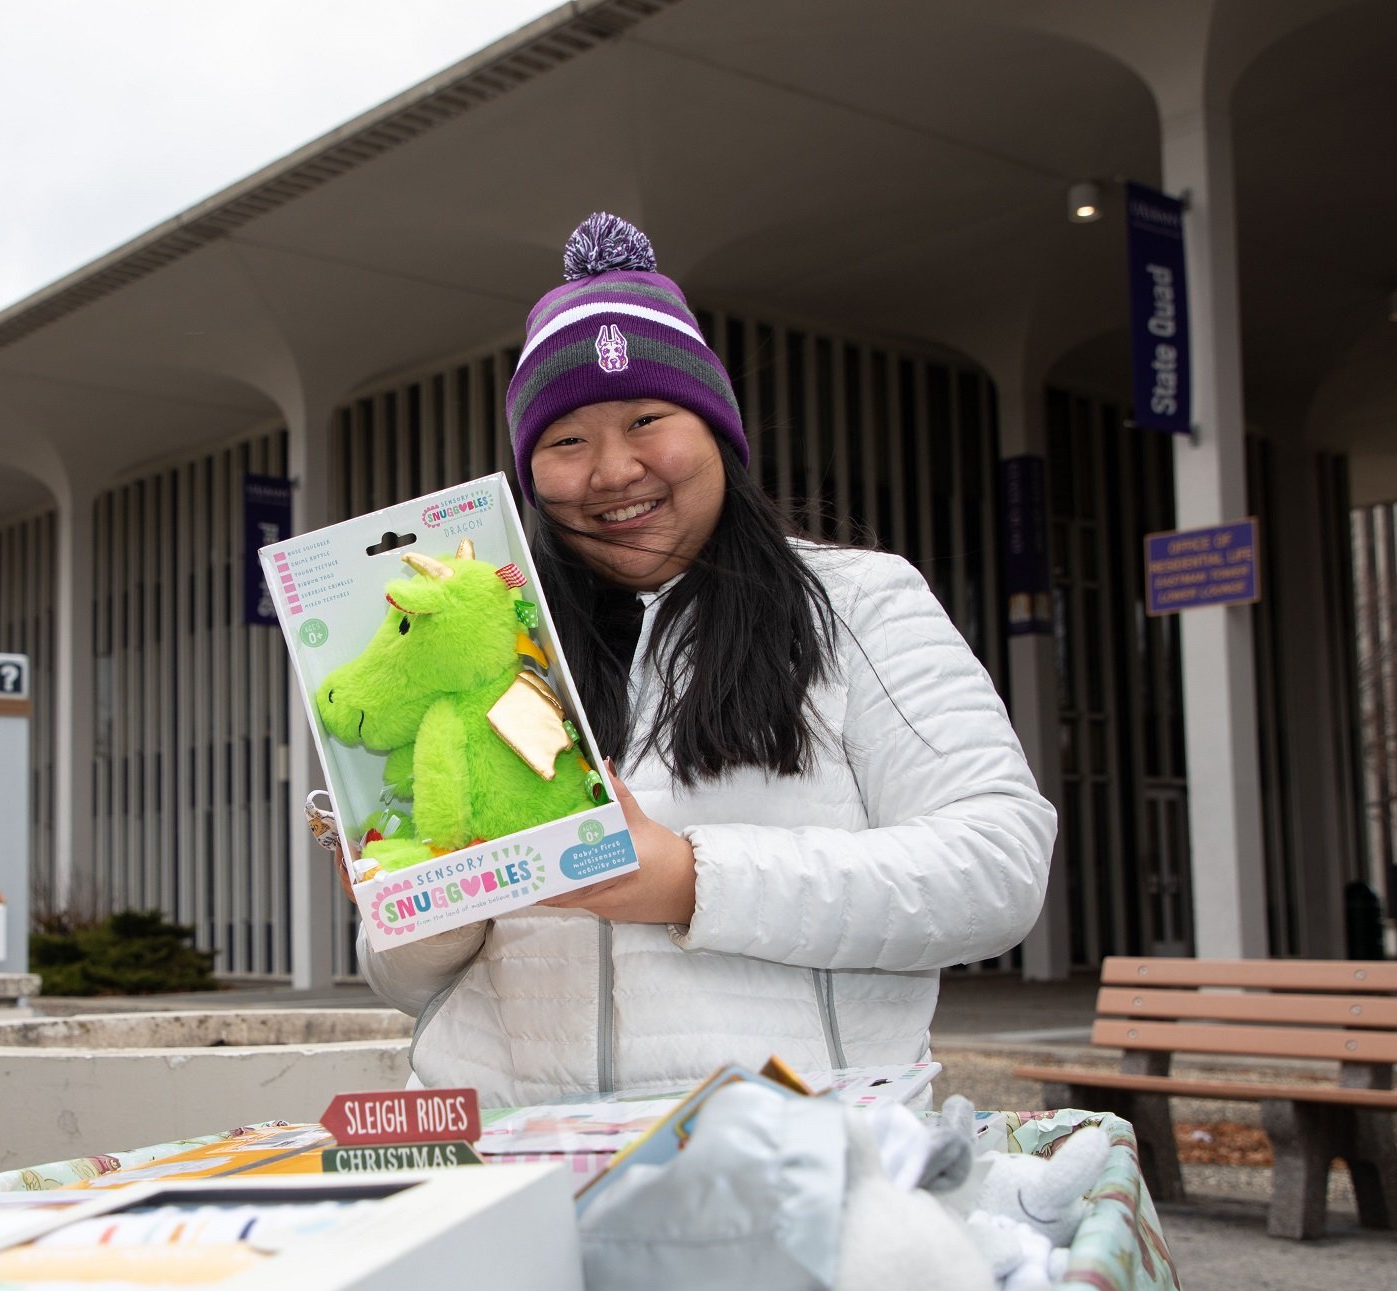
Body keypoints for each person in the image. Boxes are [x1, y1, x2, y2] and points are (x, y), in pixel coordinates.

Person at [358, 211, 1057, 1103]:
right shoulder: (496, 645)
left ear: (718, 433)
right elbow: (408, 983)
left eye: (648, 418)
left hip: (793, 1165)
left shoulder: (858, 602)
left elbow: (997, 866)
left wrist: (689, 880)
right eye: (566, 441)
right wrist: (419, 892)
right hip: (520, 1169)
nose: (612, 471)